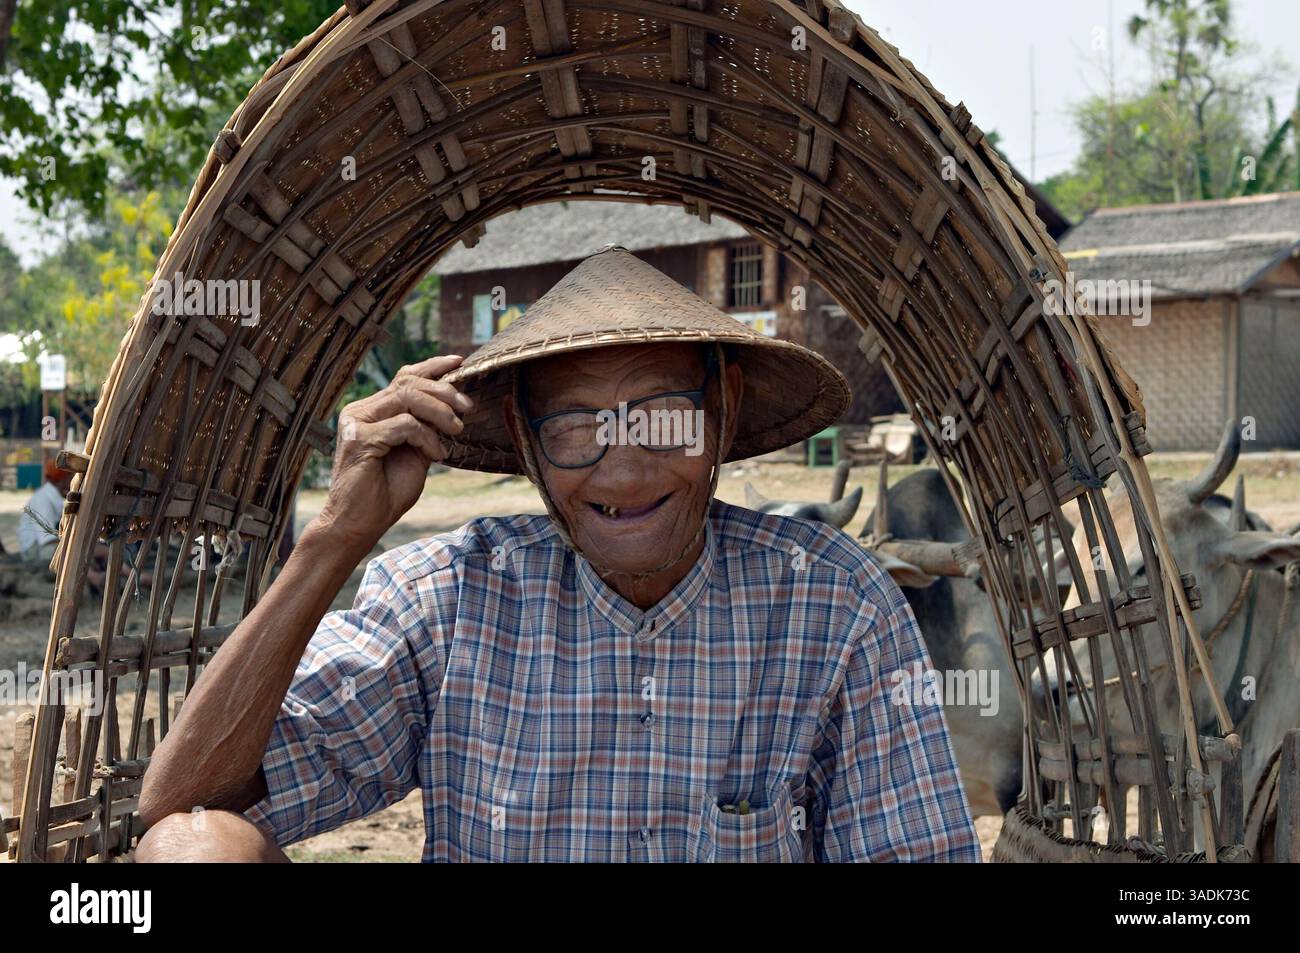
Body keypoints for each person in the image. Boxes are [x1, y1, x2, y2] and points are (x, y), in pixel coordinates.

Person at [137, 247, 980, 862]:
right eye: (575, 425)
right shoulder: (448, 596)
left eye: (661, 414)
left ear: (721, 411)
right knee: (195, 849)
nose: (622, 465)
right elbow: (180, 805)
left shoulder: (835, 600)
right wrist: (334, 540)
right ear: (526, 445)